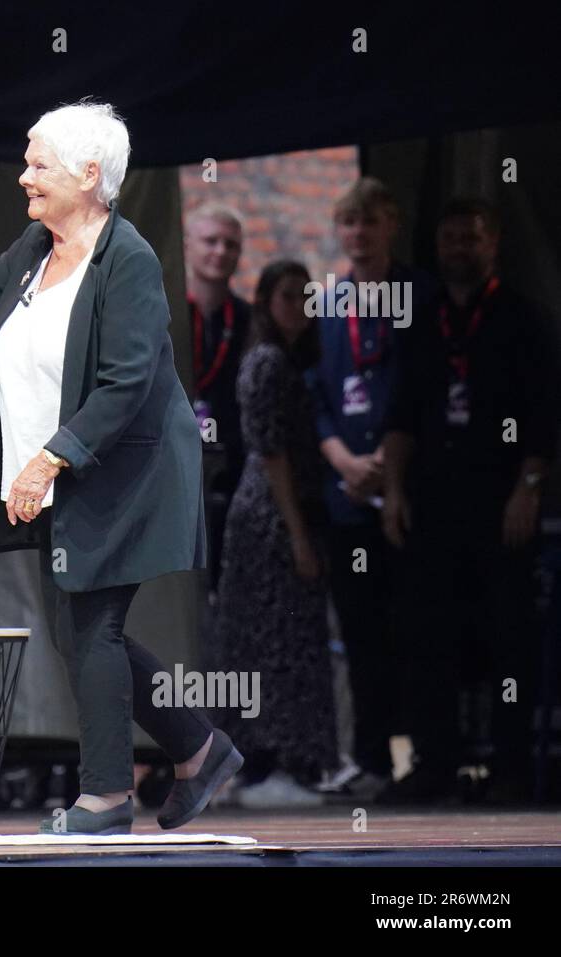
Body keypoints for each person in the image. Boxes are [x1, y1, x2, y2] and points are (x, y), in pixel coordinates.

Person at [0, 101, 242, 835]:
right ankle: (199, 747)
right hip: (63, 478)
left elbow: (126, 382)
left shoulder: (126, 257)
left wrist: (49, 460)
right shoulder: (36, 249)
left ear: (89, 173)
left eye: (39, 163)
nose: (24, 177)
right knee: (78, 634)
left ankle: (105, 797)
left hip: (121, 475)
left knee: (93, 628)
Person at [381, 197, 559, 804]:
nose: (461, 248)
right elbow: (401, 414)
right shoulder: (423, 320)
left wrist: (528, 490)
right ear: (438, 246)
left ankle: (508, 766)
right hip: (432, 501)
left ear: (494, 244)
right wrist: (395, 491)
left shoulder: (522, 319)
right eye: (451, 238)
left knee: (507, 633)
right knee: (429, 633)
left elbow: (543, 418)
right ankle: (436, 763)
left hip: (500, 499)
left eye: (472, 238)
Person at [311, 177, 435, 799]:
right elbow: (317, 398)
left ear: (392, 226)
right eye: (348, 223)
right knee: (360, 636)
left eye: (370, 221)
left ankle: (428, 761)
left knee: (416, 630)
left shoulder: (419, 294)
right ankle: (373, 761)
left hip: (408, 492)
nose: (358, 233)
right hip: (349, 496)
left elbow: (421, 386)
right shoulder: (329, 305)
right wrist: (342, 460)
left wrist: (389, 463)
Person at [211, 260, 337, 808]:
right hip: (270, 519)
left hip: (287, 514)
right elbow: (273, 453)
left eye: (306, 297)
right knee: (271, 643)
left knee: (291, 640)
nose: (299, 307)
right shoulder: (265, 363)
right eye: (288, 296)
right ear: (265, 301)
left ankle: (289, 762)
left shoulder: (292, 361)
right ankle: (268, 762)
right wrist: (298, 533)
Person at [184, 203, 253, 595]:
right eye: (211, 241)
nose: (220, 252)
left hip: (232, 467)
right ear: (188, 244)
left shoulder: (249, 320)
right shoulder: (167, 314)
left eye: (231, 244)